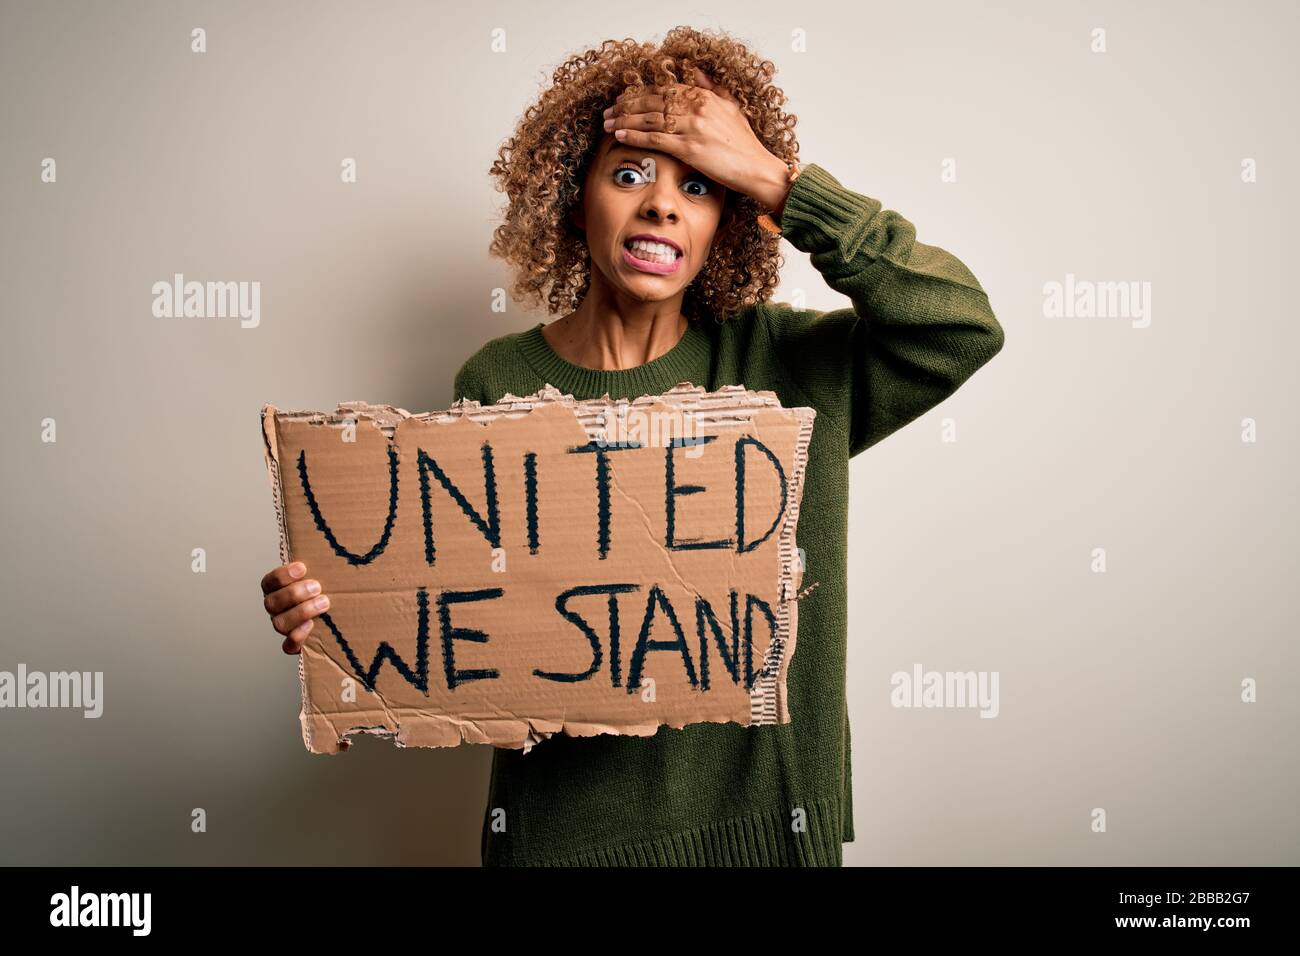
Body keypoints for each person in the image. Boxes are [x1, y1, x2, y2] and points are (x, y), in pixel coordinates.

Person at [260, 26, 1005, 866]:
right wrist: (344, 615)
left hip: (764, 839)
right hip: (561, 845)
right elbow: (478, 630)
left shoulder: (790, 367)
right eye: (628, 175)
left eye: (700, 184)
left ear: (729, 220)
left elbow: (959, 325)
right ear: (574, 198)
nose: (661, 204)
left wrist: (776, 181)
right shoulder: (498, 378)